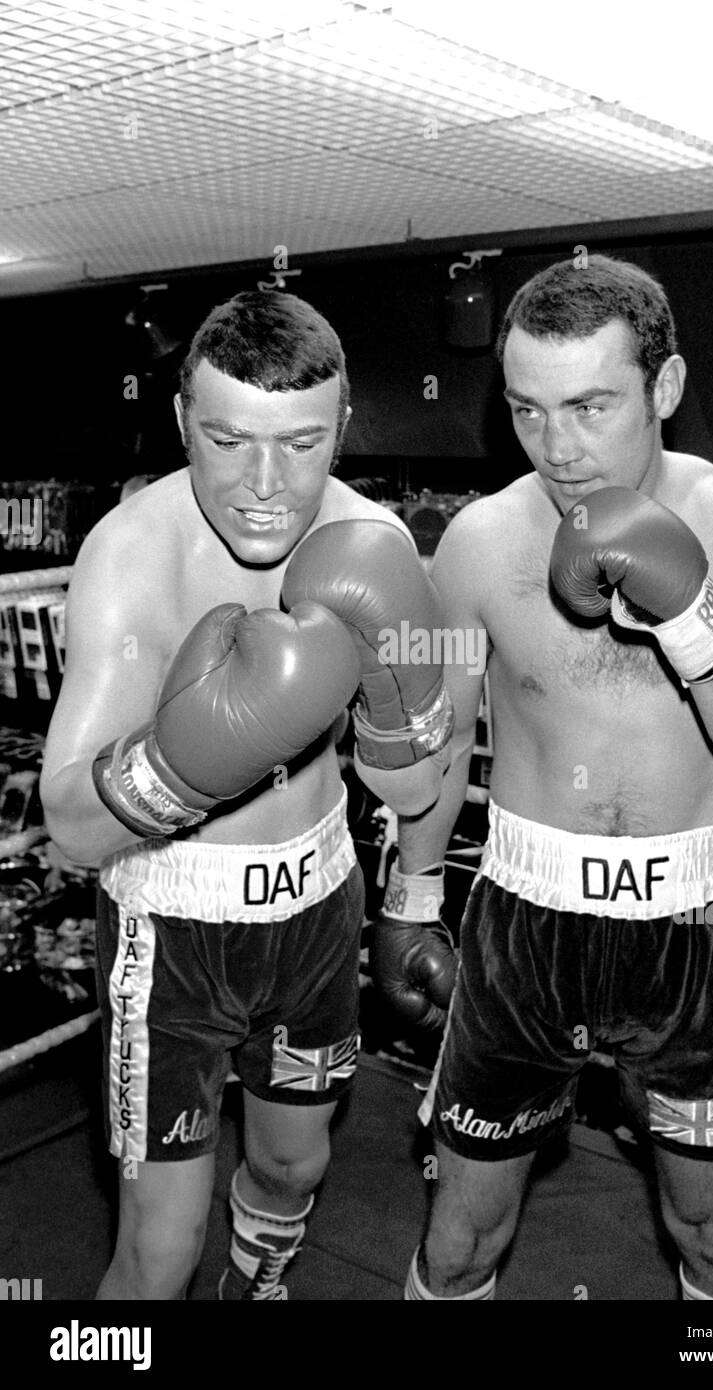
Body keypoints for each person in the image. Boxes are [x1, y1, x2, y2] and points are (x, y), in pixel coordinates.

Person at [371, 255, 713, 1302]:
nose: (557, 447)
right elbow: (444, 746)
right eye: (528, 410)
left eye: (590, 405)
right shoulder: (481, 541)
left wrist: (691, 624)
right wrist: (410, 899)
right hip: (527, 922)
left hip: (692, 929)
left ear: (663, 388)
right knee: (460, 1237)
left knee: (712, 1228)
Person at [39, 290, 453, 1301]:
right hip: (171, 926)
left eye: (302, 443)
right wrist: (187, 762)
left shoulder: (376, 544)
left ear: (343, 426)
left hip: (316, 910)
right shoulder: (132, 552)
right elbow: (68, 825)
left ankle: (257, 1287)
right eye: (228, 440)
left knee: (294, 1167)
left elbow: (436, 753)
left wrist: (417, 893)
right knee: (161, 1249)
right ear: (184, 421)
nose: (265, 484)